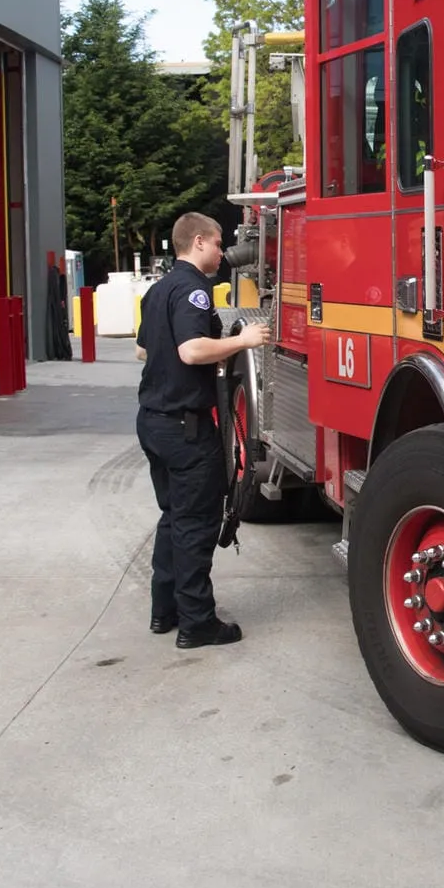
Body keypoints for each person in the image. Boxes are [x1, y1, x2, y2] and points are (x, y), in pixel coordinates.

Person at [136, 212, 270, 647]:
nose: (221, 252)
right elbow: (192, 350)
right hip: (185, 428)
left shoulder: (158, 290)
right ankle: (197, 623)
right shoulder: (193, 291)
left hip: (154, 422)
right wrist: (242, 341)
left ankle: (165, 610)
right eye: (216, 244)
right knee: (195, 524)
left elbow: (143, 351)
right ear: (197, 242)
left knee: (174, 518)